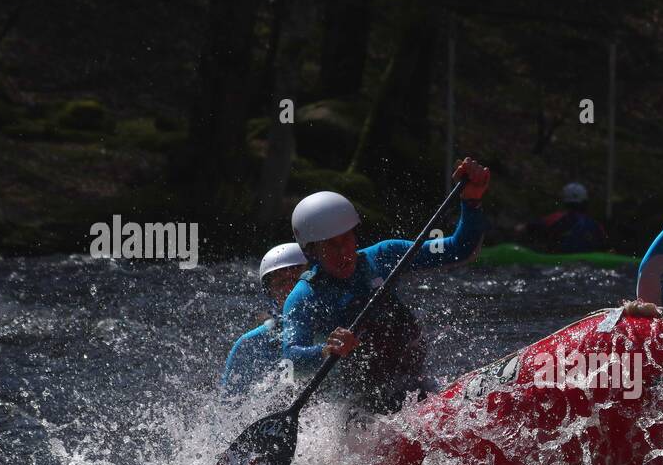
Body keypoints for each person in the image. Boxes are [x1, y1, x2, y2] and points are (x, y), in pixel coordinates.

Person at [281, 157, 490, 413]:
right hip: (361, 407)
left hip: (415, 386)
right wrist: (326, 350)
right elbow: (290, 361)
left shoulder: (385, 255)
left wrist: (472, 201)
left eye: (346, 238)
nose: (343, 251)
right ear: (312, 251)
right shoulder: (304, 296)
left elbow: (458, 250)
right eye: (330, 245)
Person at [220, 242, 308, 393]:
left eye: (296, 279)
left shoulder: (342, 323)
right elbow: (229, 404)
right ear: (271, 294)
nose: (291, 289)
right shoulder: (249, 344)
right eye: (281, 283)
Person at [524, 181, 609, 253]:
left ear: (565, 201)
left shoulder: (555, 218)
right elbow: (604, 245)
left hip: (560, 261)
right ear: (585, 202)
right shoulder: (596, 225)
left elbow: (530, 228)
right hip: (590, 263)